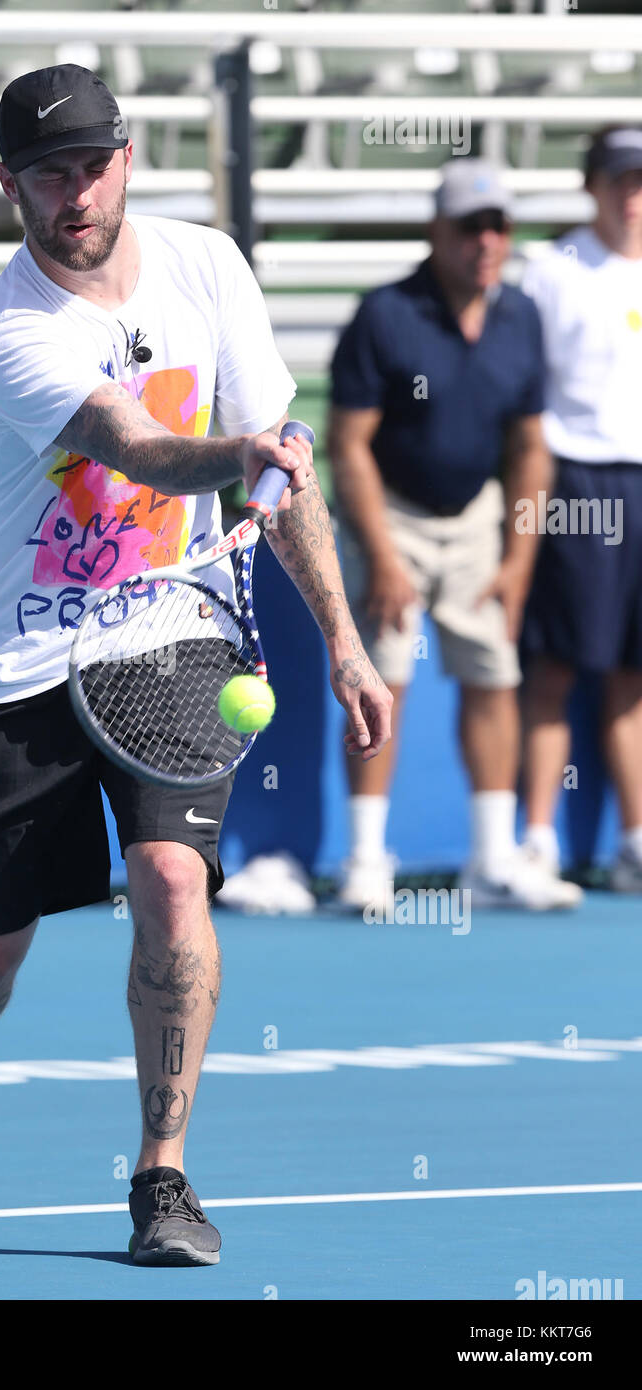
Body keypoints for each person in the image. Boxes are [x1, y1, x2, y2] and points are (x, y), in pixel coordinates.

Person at [0, 63, 391, 1267]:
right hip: (18, 662)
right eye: (46, 172)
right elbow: (135, 445)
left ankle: (162, 1177)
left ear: (126, 160)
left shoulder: (209, 266)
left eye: (91, 164)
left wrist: (341, 639)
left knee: (172, 882)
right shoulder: (8, 331)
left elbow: (282, 475)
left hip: (169, 633)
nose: (73, 192)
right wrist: (242, 450)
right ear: (7, 186)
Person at [328, 158, 581, 912]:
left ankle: (492, 858)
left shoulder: (521, 316)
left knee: (494, 680)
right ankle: (368, 862)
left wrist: (517, 559)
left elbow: (533, 445)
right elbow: (349, 445)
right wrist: (381, 556)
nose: (486, 240)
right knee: (381, 687)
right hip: (392, 514)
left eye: (498, 225)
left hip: (478, 519)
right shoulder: (386, 313)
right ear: (437, 232)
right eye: (471, 226)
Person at [519, 127, 642, 892]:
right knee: (557, 668)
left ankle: (634, 839)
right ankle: (535, 840)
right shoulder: (551, 270)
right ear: (592, 187)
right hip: (578, 485)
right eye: (619, 181)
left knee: (635, 675)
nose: (633, 197)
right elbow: (526, 402)